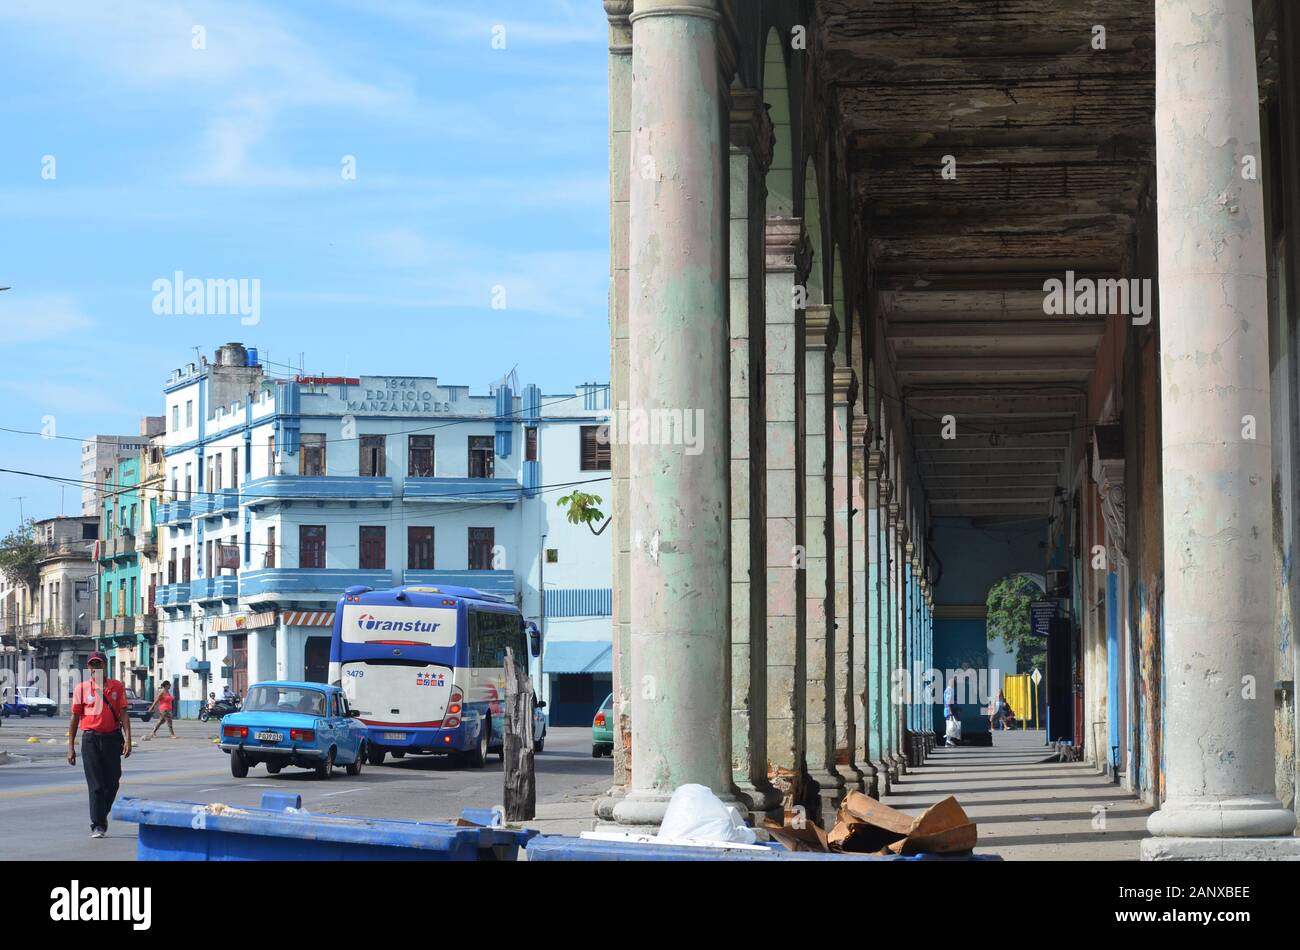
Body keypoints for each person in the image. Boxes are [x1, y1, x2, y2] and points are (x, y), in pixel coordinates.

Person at [67, 652, 131, 838]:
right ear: (88, 668)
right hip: (90, 741)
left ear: (104, 665)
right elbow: (74, 719)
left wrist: (128, 739)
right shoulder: (82, 688)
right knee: (96, 785)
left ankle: (100, 815)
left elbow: (124, 714)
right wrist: (70, 747)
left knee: (112, 782)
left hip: (112, 739)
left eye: (98, 663)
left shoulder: (117, 687)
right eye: (92, 664)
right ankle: (98, 824)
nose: (95, 667)